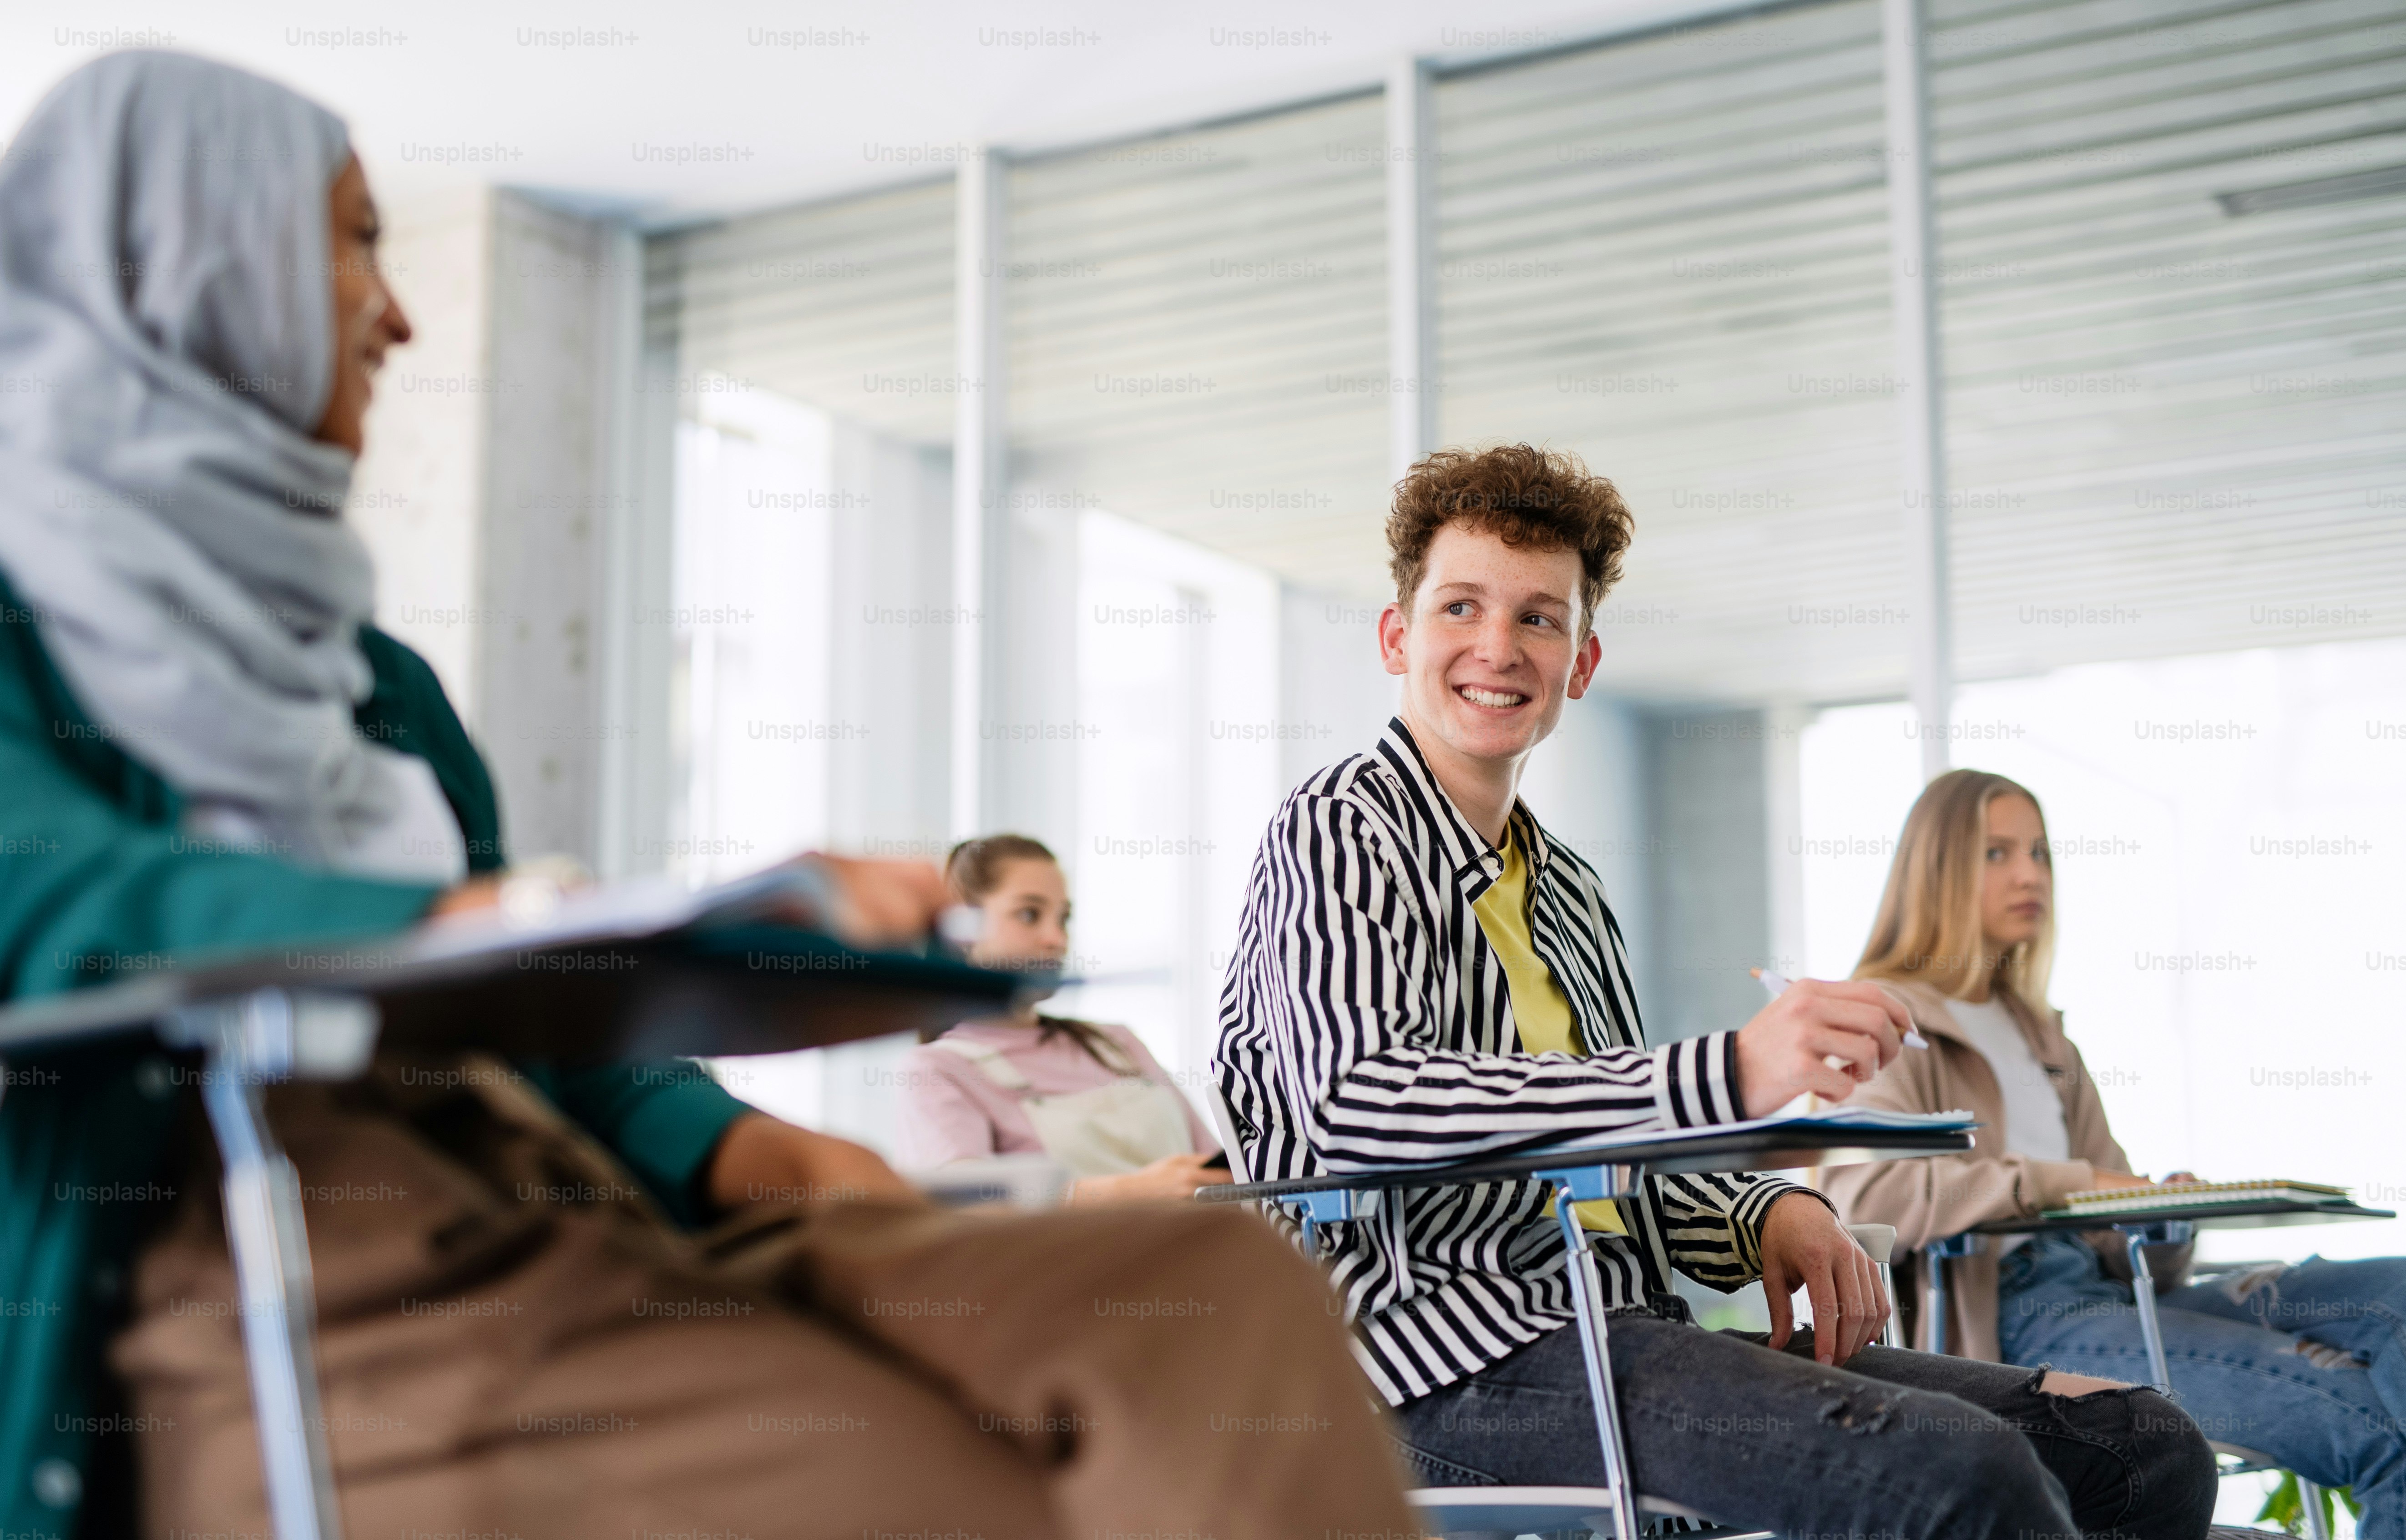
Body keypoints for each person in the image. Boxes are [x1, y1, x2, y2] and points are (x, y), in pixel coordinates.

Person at [0, 51, 1415, 1540]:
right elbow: (53, 897)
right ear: (193, 257)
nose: (401, 314)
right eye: (356, 237)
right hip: (283, 1266)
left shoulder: (381, 690)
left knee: (1203, 1302)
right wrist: (474, 919)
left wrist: (757, 1147)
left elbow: (558, 1057)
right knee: (937, 1484)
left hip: (578, 1208)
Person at [1215, 443, 2219, 1540]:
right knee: (1965, 1474)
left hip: (1603, 1330)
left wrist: (1763, 1208)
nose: (1497, 647)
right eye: (1460, 606)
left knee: (2137, 1448)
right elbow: (1358, 1107)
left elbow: (1603, 1157)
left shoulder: (1564, 890)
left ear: (1581, 662)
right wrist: (1730, 1073)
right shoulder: (1336, 826)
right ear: (1396, 636)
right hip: (1428, 1362)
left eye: (1539, 619)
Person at [1823, 768, 2406, 1536]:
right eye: (1996, 854)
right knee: (2373, 1433)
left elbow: (2120, 1234)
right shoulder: (1885, 1020)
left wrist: (2159, 1211)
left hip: (2119, 1294)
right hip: (2023, 1318)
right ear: (1934, 872)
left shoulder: (2045, 1038)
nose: (2030, 873)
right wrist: (2070, 1183)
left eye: (2038, 852)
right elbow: (1863, 1195)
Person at [896, 834, 1230, 1203]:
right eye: (1029, 914)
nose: (1056, 938)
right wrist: (1133, 1190)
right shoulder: (939, 1070)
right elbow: (971, 1210)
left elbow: (1217, 1172)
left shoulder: (1116, 1042)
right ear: (960, 931)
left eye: (1064, 917)